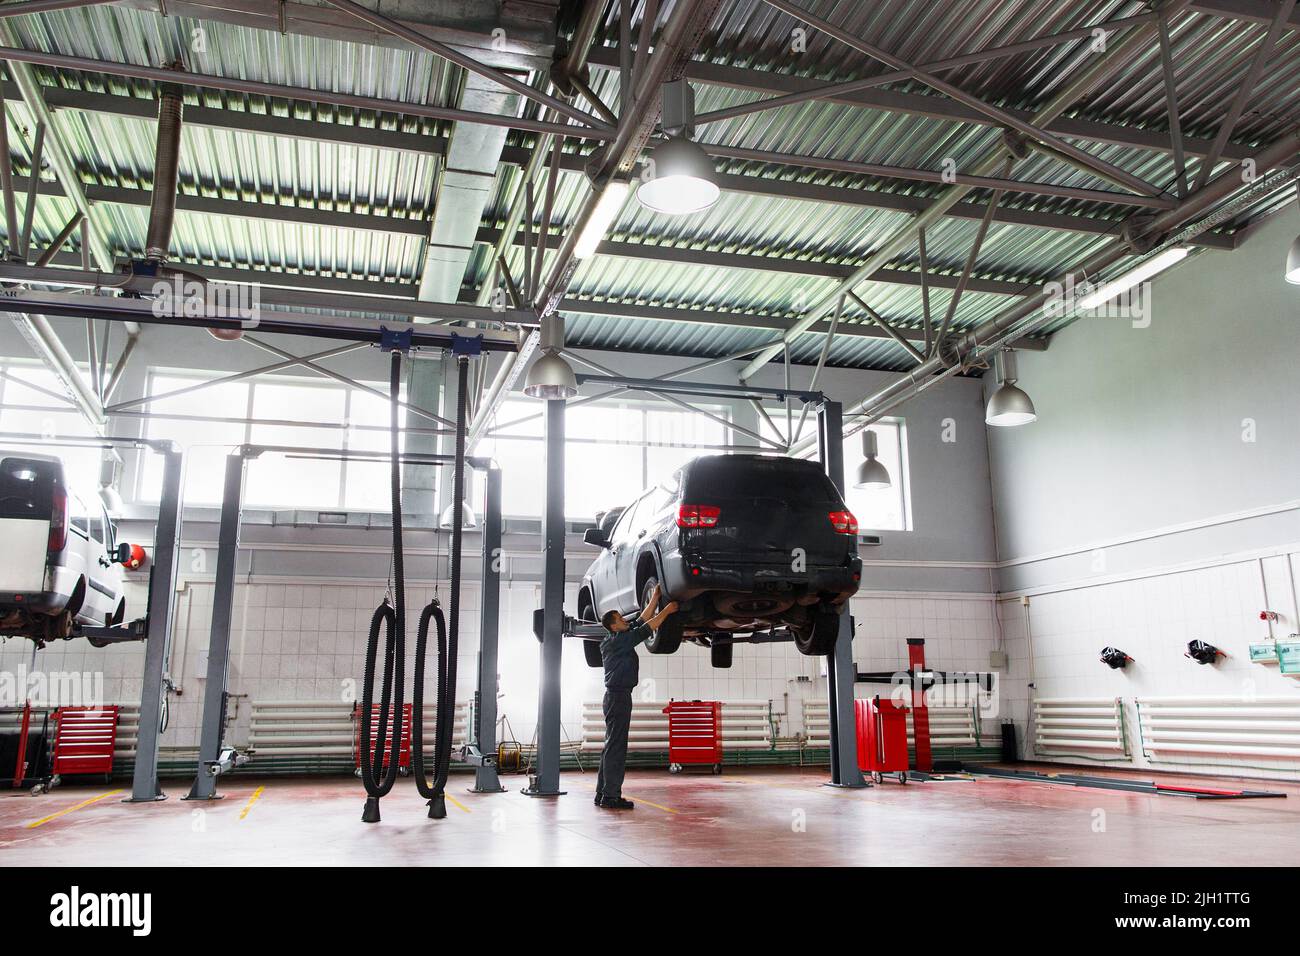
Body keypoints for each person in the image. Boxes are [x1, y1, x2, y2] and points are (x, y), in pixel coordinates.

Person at [595, 583, 678, 810]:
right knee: (616, 747)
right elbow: (647, 628)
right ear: (613, 626)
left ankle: (602, 793)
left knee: (610, 745)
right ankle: (611, 796)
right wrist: (667, 611)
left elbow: (641, 621)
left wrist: (655, 598)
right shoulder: (618, 641)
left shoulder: (616, 638)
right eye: (620, 620)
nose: (625, 621)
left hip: (615, 697)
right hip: (618, 697)